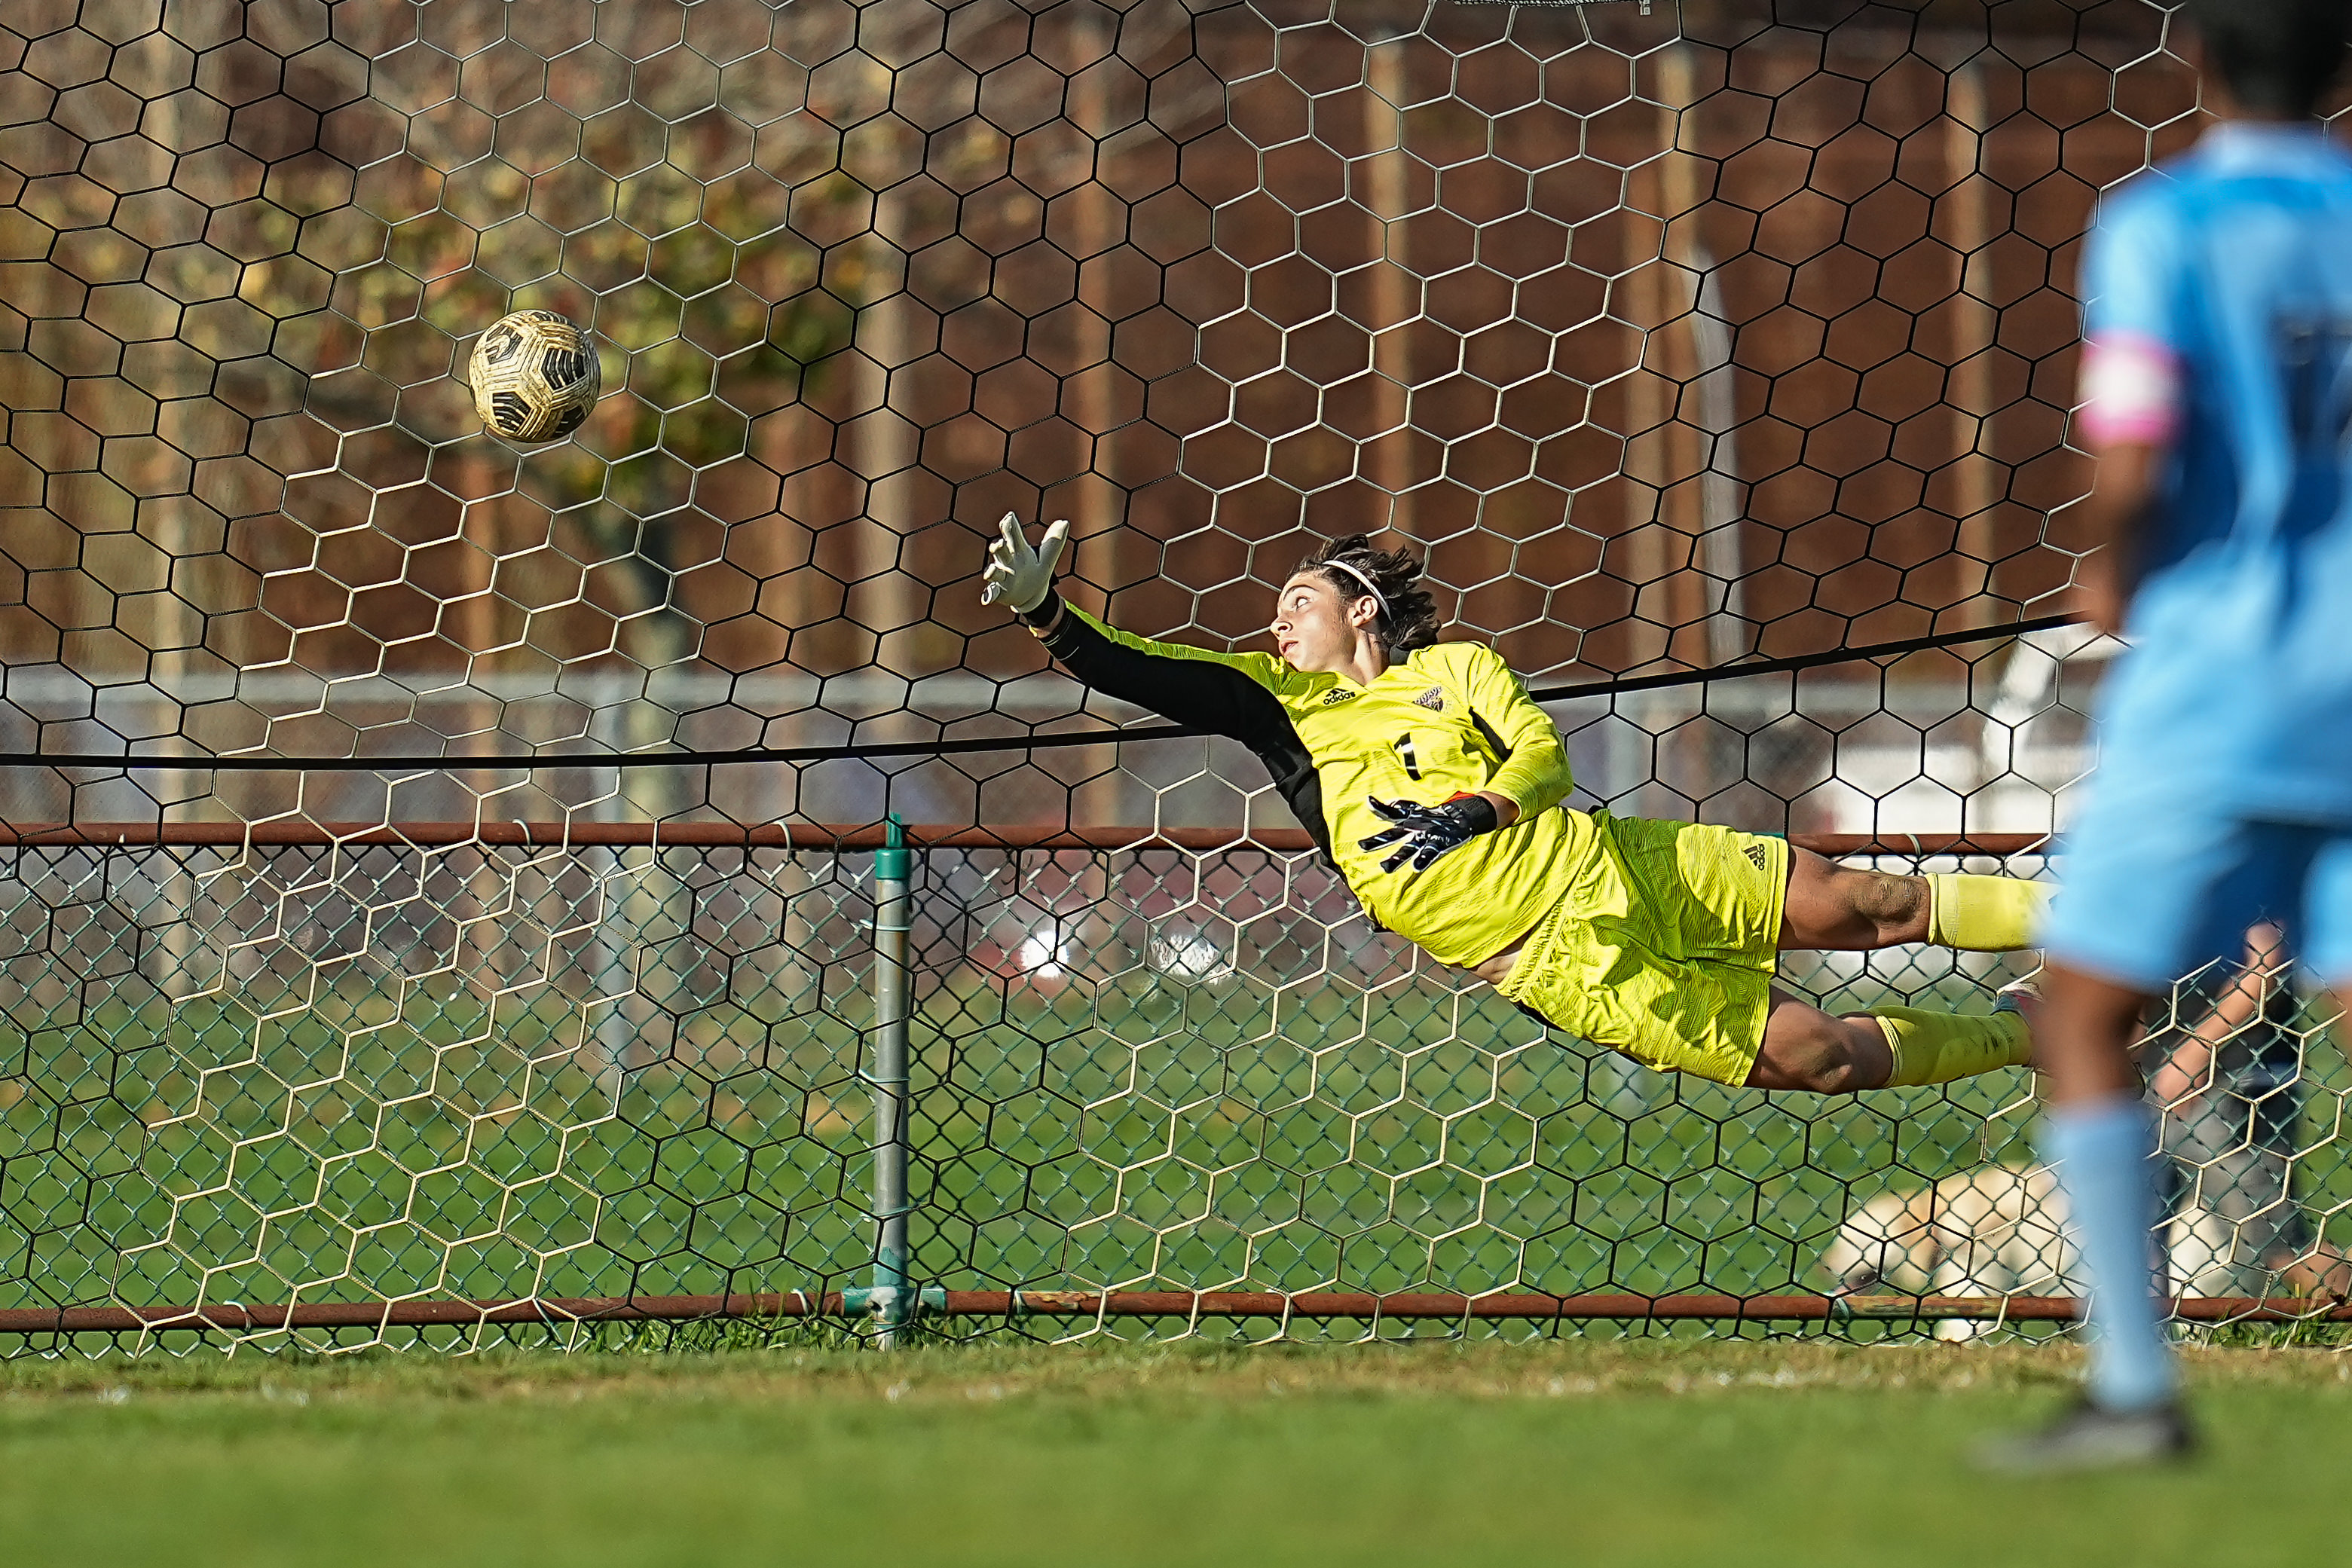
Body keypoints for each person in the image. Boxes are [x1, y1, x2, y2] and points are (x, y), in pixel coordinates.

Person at [982, 516, 2048, 1096]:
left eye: (1295, 603)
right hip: (1555, 961)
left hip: (1607, 861)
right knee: (1817, 1056)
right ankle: (2034, 1035)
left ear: (1360, 607)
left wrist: (1484, 810)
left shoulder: (1458, 667)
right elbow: (1144, 668)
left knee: (1862, 902)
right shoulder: (1283, 708)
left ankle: (2108, 920)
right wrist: (1048, 616)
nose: (1276, 626)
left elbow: (1540, 754)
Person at [1987, 0, 2352, 1470]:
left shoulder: (2161, 221)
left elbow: (2132, 450)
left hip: (2218, 676)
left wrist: (2109, 567)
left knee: (2080, 1013)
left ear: (2194, 58)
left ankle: (2135, 1392)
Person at [2148, 923, 2350, 1301]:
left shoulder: (2246, 868)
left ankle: (2339, 1299)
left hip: (2238, 1078)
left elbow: (2266, 962)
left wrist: (2199, 1049)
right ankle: (2146, 1338)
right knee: (2138, 1229)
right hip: (2161, 1073)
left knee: (2274, 1243)